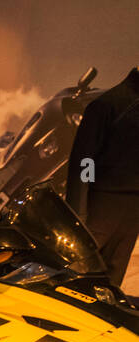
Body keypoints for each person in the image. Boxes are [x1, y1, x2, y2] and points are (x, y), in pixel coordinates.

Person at [66, 67, 139, 288]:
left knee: (111, 283)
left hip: (132, 210)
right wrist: (80, 212)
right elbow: (86, 160)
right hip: (101, 206)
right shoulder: (108, 104)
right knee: (78, 276)